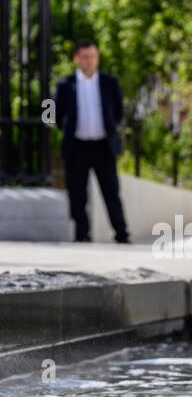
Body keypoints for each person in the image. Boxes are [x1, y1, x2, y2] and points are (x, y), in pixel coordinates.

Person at [54, 39, 130, 244]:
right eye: (85, 57)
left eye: (93, 57)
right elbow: (54, 113)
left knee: (111, 192)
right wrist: (65, 128)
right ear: (77, 58)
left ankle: (121, 234)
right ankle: (82, 235)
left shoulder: (109, 82)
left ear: (98, 58)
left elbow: (118, 112)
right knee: (77, 194)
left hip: (103, 146)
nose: (90, 61)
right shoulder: (64, 84)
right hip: (76, 146)